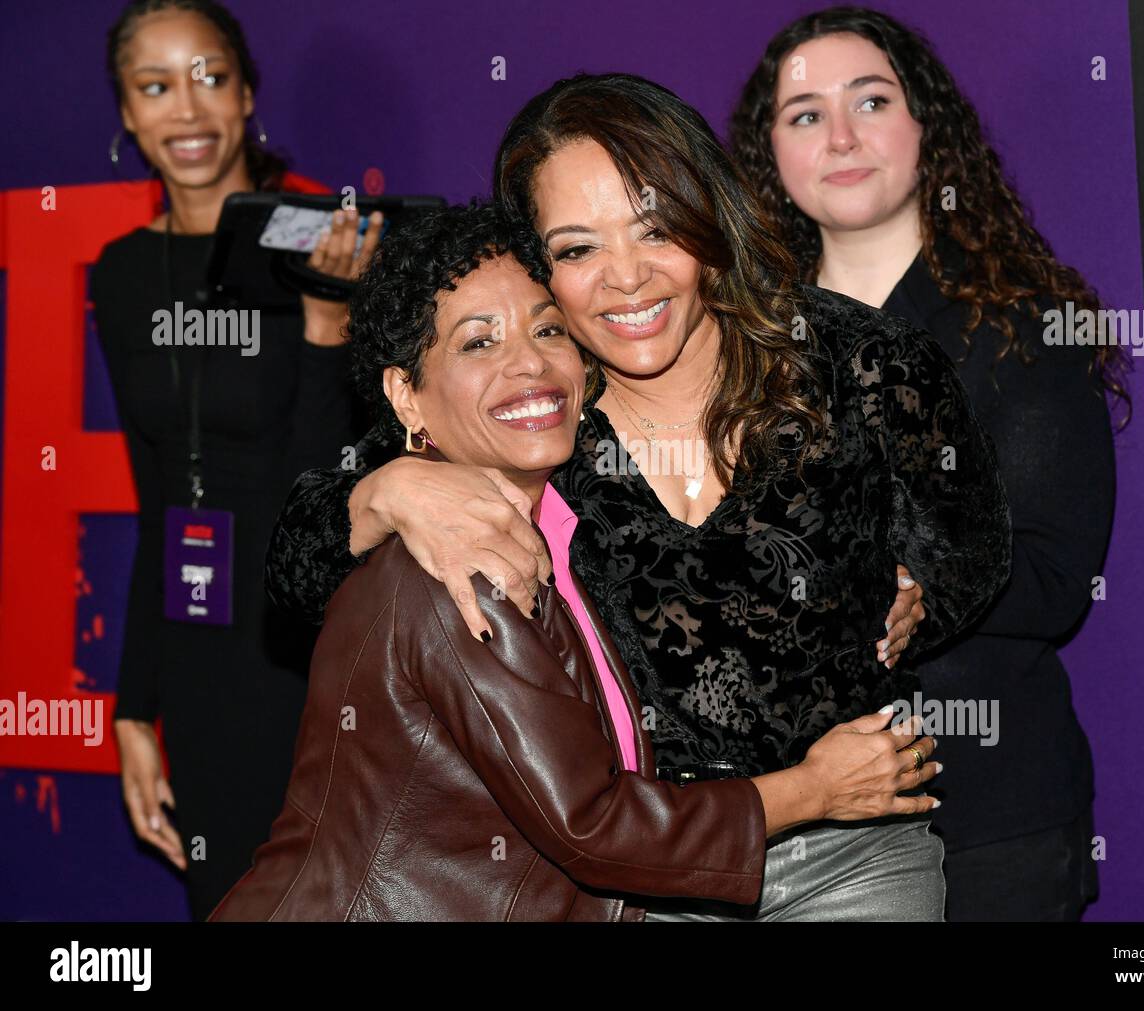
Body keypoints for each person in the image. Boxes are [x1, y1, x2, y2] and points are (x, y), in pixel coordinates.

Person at [264, 73, 1013, 921]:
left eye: (654, 229)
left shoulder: (857, 361)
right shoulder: (536, 416)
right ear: (541, 267)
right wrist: (394, 490)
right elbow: (295, 562)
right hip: (646, 877)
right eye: (578, 249)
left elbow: (976, 542)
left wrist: (919, 587)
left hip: (856, 849)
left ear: (708, 218)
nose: (625, 279)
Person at [729, 6, 1124, 920]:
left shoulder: (1019, 327)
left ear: (925, 131)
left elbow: (1057, 575)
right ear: (771, 160)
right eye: (803, 114)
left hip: (985, 820)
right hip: (791, 829)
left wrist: (900, 581)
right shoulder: (741, 347)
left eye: (870, 100)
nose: (839, 136)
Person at [93, 0, 377, 919]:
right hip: (200, 648)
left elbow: (331, 485)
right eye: (156, 86)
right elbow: (156, 498)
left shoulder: (328, 240)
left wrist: (329, 325)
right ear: (129, 115)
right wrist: (136, 708)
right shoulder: (124, 274)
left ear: (247, 94)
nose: (187, 108)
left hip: (315, 643)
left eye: (210, 77)